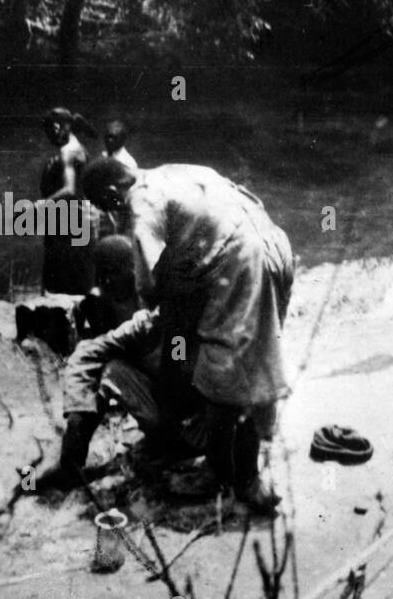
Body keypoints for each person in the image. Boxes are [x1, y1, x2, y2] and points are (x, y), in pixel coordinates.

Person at [49, 158, 294, 513]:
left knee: (226, 370)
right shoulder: (176, 173)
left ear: (113, 192)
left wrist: (153, 301)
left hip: (241, 259)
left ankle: (233, 478)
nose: (114, 214)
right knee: (251, 361)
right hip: (272, 245)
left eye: (108, 206)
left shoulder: (142, 201)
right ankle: (240, 475)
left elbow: (149, 278)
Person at [40, 107, 97, 295]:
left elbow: (69, 189)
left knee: (61, 284)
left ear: (58, 127)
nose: (49, 137)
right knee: (79, 282)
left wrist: (40, 205)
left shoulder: (68, 151)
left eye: (50, 131)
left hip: (69, 221)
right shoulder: (81, 149)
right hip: (80, 220)